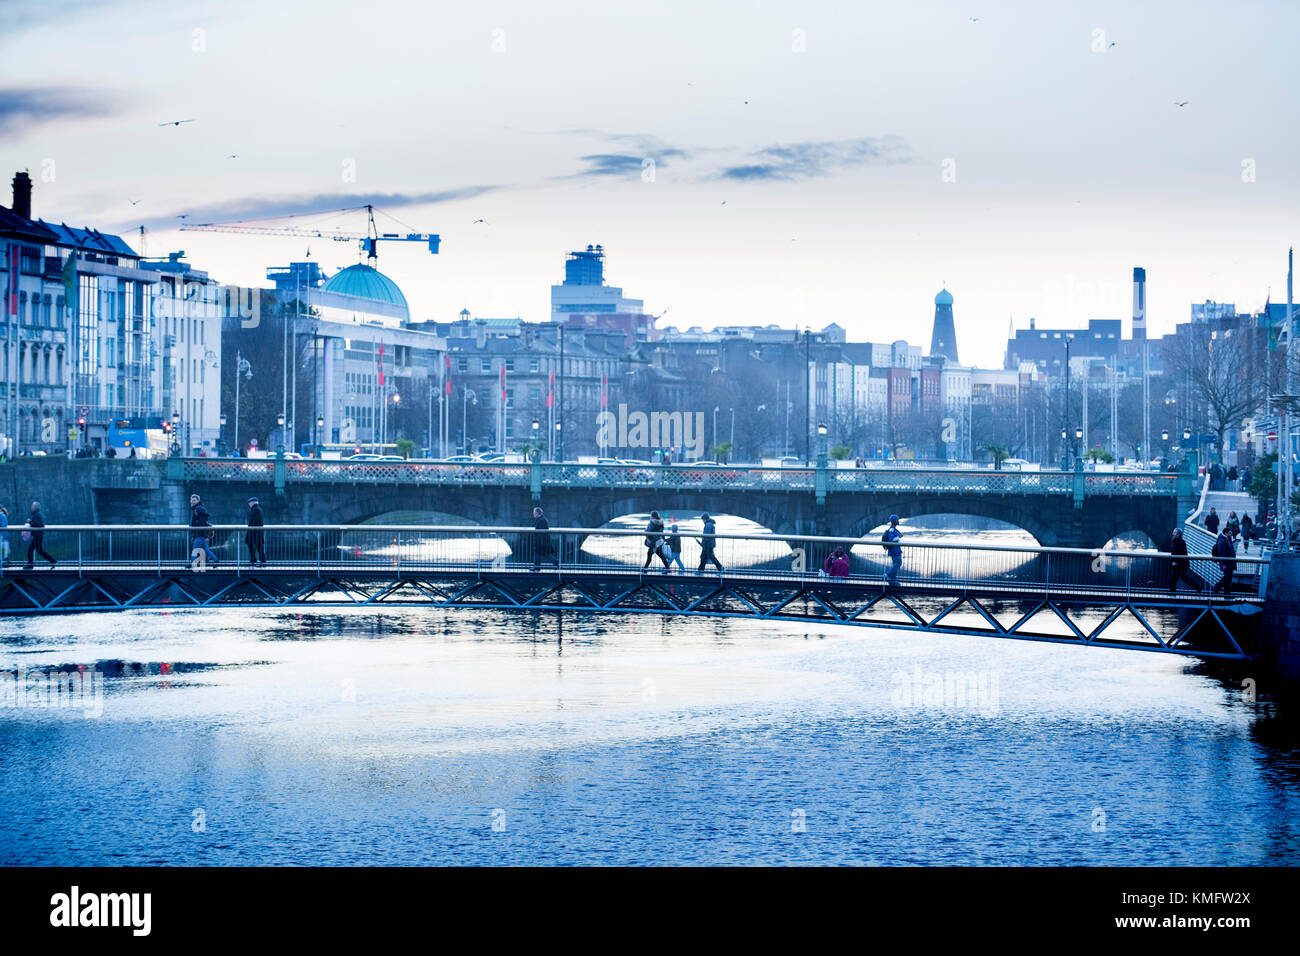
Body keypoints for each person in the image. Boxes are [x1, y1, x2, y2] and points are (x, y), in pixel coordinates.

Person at [23, 501, 56, 570]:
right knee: (39, 551)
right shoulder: (37, 514)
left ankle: (30, 565)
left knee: (31, 550)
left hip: (38, 536)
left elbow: (37, 524)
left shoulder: (37, 515)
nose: (31, 507)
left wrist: (29, 522)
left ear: (35, 507)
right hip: (38, 536)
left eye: (32, 506)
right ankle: (53, 561)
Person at [189, 494, 218, 569]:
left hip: (200, 534)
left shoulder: (198, 509)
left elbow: (201, 522)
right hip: (201, 534)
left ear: (198, 501)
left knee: (195, 550)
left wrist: (195, 526)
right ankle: (216, 560)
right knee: (205, 550)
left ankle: (192, 564)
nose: (192, 502)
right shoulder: (198, 508)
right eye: (191, 500)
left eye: (194, 500)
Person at [1167, 528, 1200, 593]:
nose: (1173, 534)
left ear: (1178, 534)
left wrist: (1175, 561)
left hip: (1180, 564)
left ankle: (1172, 593)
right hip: (1180, 564)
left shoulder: (1180, 542)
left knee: (1175, 578)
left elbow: (1180, 553)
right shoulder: (1176, 541)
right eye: (1173, 532)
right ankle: (1198, 587)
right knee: (1182, 578)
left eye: (1174, 532)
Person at [529, 507, 558, 571]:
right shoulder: (541, 519)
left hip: (541, 541)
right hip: (542, 541)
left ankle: (537, 567)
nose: (533, 514)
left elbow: (538, 530)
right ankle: (555, 562)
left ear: (537, 513)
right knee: (543, 553)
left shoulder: (541, 520)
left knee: (541, 553)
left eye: (534, 513)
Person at [1212, 528, 1236, 594]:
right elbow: (1222, 552)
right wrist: (1223, 564)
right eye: (1230, 533)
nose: (1231, 535)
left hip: (1229, 561)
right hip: (1226, 562)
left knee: (1228, 577)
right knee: (1227, 576)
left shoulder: (1227, 539)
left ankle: (1226, 591)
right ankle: (1217, 588)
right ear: (1226, 533)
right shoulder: (1222, 540)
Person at [882, 514, 903, 586]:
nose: (898, 521)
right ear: (894, 521)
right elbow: (891, 540)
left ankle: (893, 581)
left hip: (896, 549)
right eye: (897, 520)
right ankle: (887, 575)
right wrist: (898, 537)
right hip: (894, 550)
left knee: (896, 564)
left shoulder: (894, 529)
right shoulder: (891, 530)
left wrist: (898, 536)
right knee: (898, 563)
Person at [246, 496, 267, 565]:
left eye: (249, 503)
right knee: (257, 546)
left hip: (255, 532)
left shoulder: (256, 510)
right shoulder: (257, 509)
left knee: (256, 546)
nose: (249, 504)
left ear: (252, 503)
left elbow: (255, 522)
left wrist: (251, 529)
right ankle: (256, 560)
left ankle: (258, 561)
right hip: (256, 532)